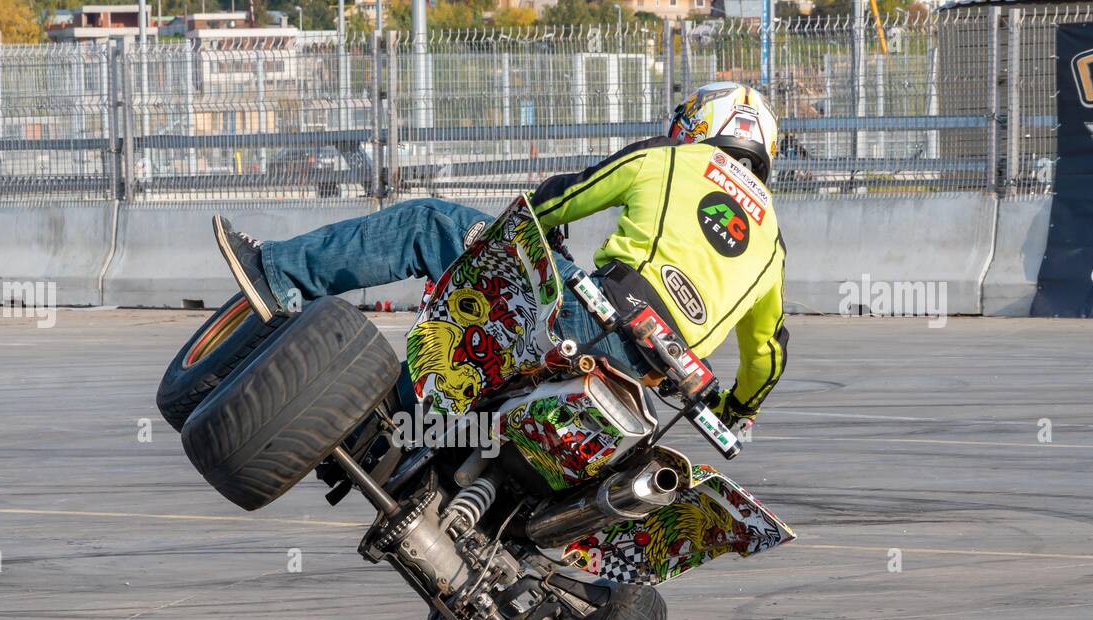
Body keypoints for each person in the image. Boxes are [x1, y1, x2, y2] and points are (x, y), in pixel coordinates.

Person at [215, 81, 788, 429]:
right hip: (649, 382)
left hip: (590, 318)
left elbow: (569, 195)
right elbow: (766, 356)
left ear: (702, 126)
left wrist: (534, 223)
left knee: (431, 224)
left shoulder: (675, 158)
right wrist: (737, 411)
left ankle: (278, 274)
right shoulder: (773, 245)